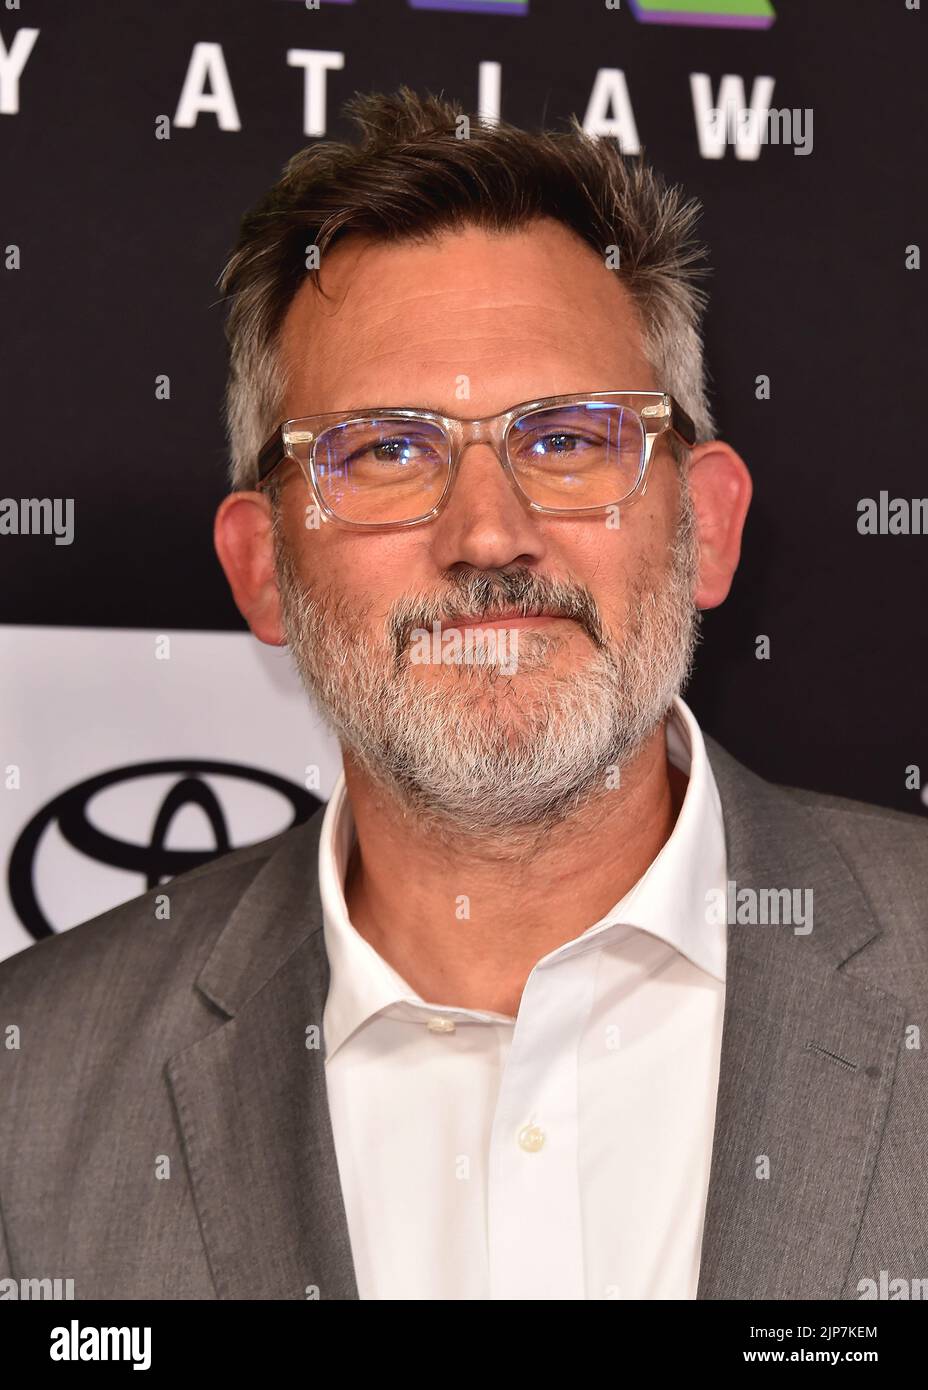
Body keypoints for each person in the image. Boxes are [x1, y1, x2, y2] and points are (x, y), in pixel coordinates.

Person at [1, 88, 925, 1302]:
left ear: (703, 524)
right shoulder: (32, 1092)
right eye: (385, 452)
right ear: (261, 567)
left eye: (568, 439)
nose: (488, 534)